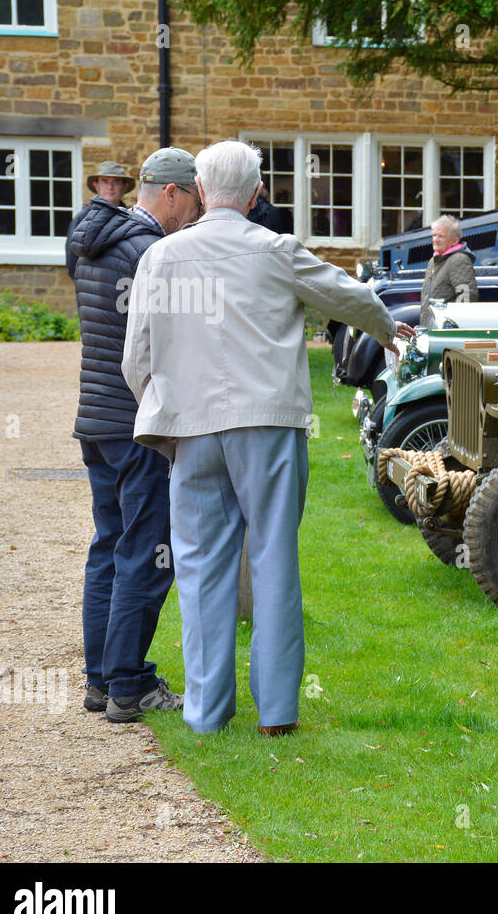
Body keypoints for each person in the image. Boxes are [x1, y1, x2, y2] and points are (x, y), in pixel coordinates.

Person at [123, 140, 415, 737]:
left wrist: (164, 410)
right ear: (258, 194)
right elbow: (349, 295)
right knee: (274, 558)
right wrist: (388, 330)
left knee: (200, 566)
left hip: (193, 426)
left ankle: (206, 713)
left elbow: (137, 358)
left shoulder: (161, 257)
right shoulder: (277, 249)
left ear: (201, 192)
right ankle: (277, 714)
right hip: (270, 425)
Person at [68, 147, 202, 722]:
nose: (194, 216)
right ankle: (127, 682)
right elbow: (170, 343)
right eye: (192, 202)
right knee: (148, 553)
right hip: (134, 424)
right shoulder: (149, 251)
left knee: (108, 546)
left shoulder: (95, 241)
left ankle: (100, 679)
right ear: (169, 193)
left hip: (94, 420)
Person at [66, 160, 135, 278]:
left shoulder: (132, 218)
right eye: (104, 181)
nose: (110, 187)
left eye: (116, 182)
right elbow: (72, 260)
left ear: (125, 186)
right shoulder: (82, 218)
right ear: (96, 185)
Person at [418, 214, 478, 324]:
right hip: (432, 328)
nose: (435, 239)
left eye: (441, 236)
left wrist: (450, 325)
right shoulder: (434, 260)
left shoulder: (459, 259)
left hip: (445, 330)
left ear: (455, 241)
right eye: (434, 235)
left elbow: (467, 296)